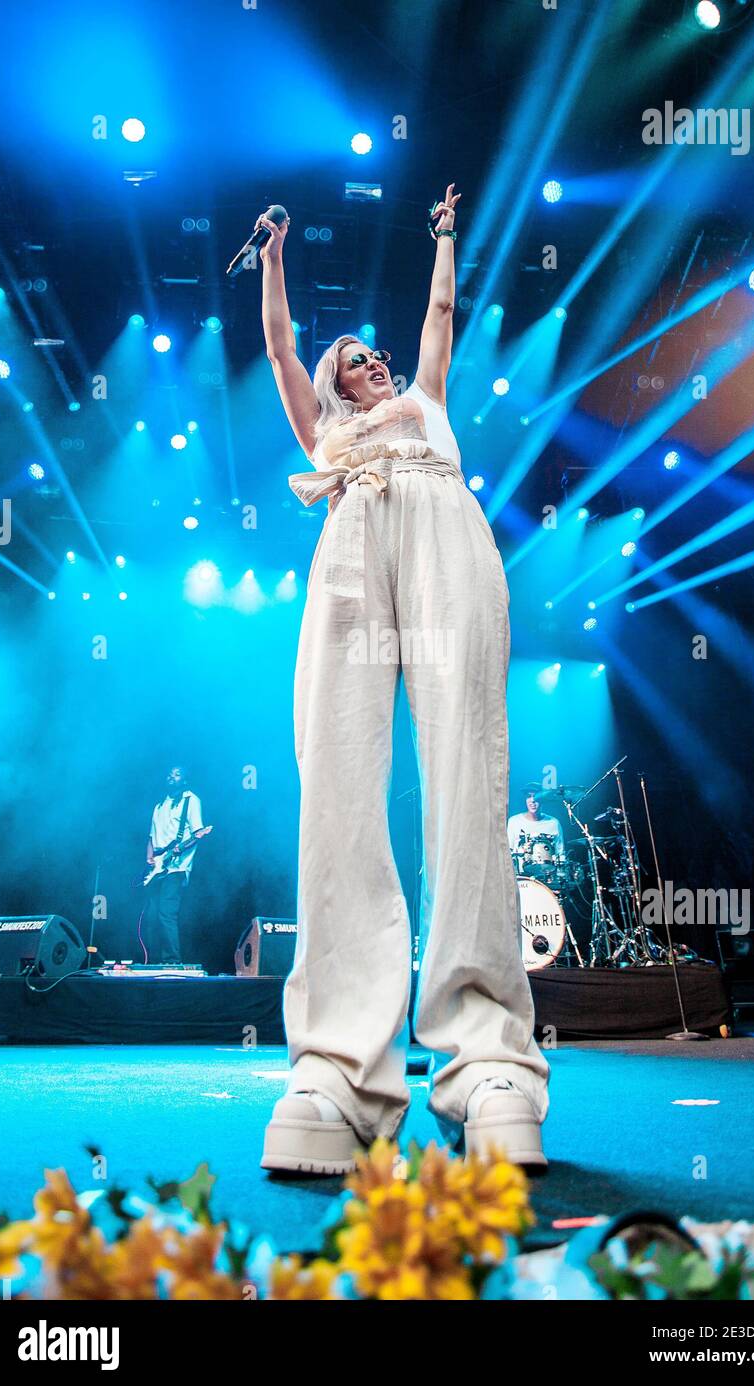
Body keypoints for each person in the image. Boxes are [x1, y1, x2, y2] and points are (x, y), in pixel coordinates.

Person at [257, 185, 550, 1175]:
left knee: (466, 769)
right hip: (352, 539)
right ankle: (341, 1060)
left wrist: (441, 236)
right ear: (336, 386)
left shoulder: (422, 405)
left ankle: (483, 1055)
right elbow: (280, 349)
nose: (369, 363)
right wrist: (271, 259)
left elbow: (437, 317)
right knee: (337, 774)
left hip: (439, 529)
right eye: (354, 362)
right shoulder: (323, 437)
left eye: (371, 354)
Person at [141, 766, 203, 965]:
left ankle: (172, 961)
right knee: (151, 916)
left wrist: (180, 849)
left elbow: (197, 833)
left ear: (184, 780)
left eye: (176, 774)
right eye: (169, 773)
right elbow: (151, 837)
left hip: (177, 867)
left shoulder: (190, 800)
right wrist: (150, 858)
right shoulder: (159, 805)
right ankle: (152, 961)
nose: (171, 776)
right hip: (157, 868)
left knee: (166, 913)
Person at [507, 784, 565, 865]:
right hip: (521, 875)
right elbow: (508, 852)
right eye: (528, 796)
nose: (532, 800)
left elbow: (560, 854)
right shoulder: (514, 821)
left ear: (543, 799)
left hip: (548, 874)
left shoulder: (553, 823)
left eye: (536, 796)